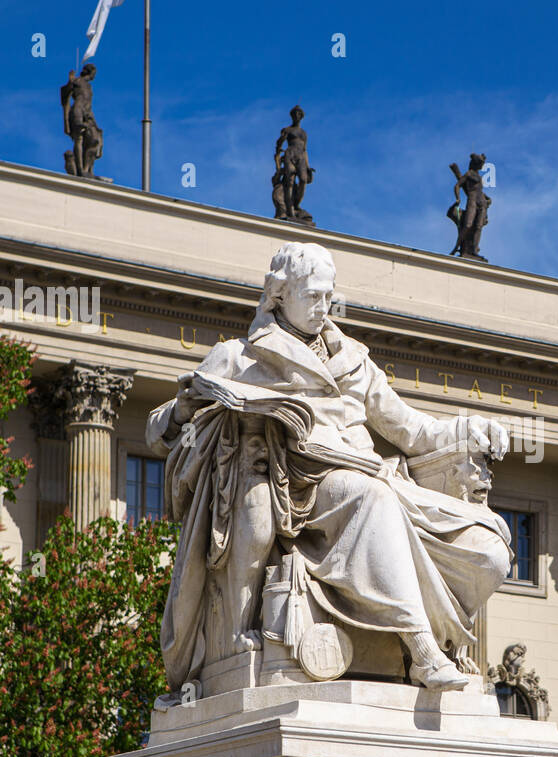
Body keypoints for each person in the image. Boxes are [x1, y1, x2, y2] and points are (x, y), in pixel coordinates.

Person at [147, 242, 512, 699]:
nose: (324, 307)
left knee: (488, 545)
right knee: (369, 497)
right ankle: (422, 651)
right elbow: (157, 433)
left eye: (328, 296)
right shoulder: (238, 357)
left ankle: (444, 642)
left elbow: (413, 431)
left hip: (369, 477)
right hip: (297, 486)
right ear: (280, 295)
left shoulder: (354, 359)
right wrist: (180, 410)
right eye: (313, 296)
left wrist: (468, 427)